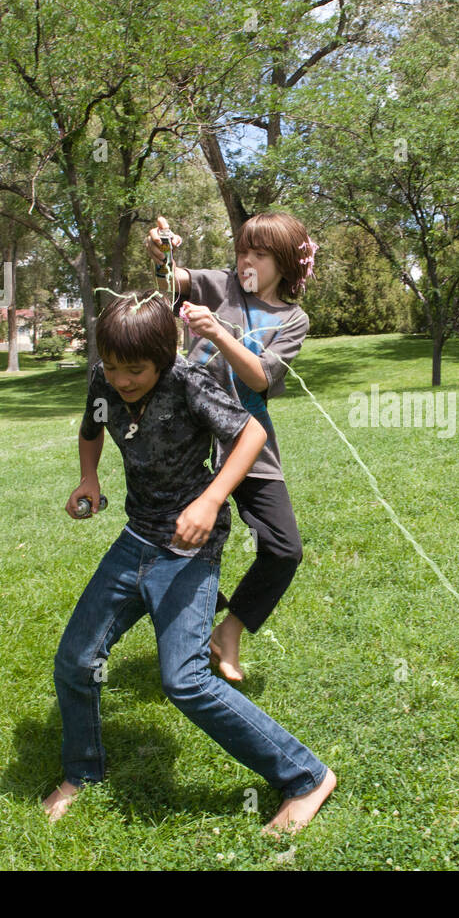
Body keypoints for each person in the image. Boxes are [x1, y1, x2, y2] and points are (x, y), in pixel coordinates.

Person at [43, 290, 335, 833]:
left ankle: (307, 777)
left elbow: (252, 433)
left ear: (161, 357)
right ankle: (83, 774)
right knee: (76, 661)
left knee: (186, 681)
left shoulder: (188, 382)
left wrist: (210, 499)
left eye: (135, 370)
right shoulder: (105, 380)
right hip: (136, 538)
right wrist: (88, 477)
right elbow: (91, 427)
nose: (121, 380)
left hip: (188, 548)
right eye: (113, 367)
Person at [146, 212, 314, 684]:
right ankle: (187, 630)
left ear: (286, 263)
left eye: (259, 254)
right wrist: (162, 255)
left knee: (283, 549)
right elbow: (172, 281)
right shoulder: (220, 285)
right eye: (242, 251)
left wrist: (218, 333)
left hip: (249, 442)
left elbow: (260, 378)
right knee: (176, 536)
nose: (246, 262)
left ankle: (229, 629)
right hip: (189, 437)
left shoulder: (293, 319)